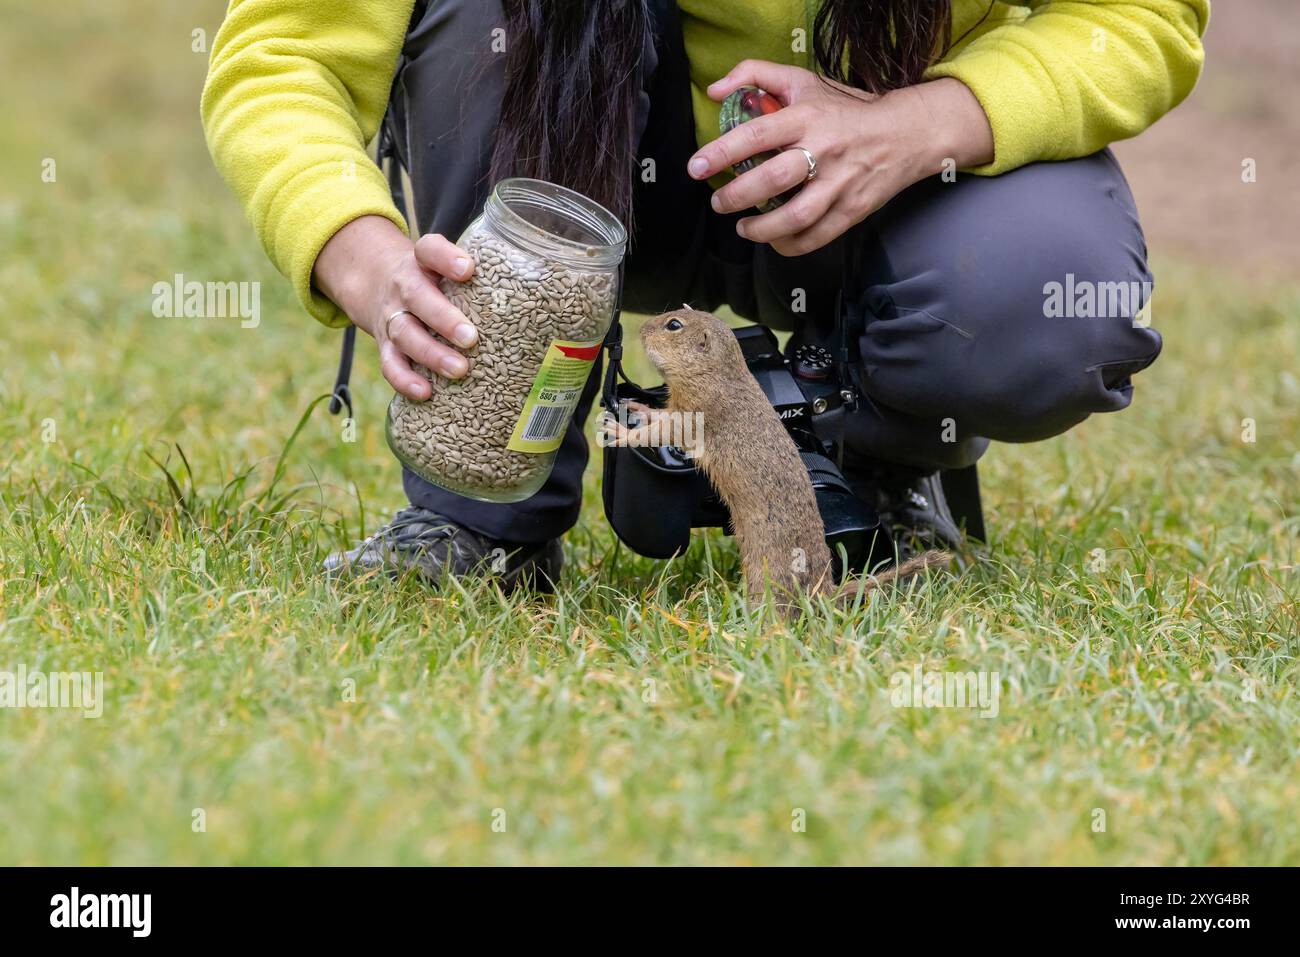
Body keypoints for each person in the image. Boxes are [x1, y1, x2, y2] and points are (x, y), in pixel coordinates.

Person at [201, 0, 1209, 589]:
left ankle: (881, 464)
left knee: (1031, 297)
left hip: (881, 159)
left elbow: (1142, 16)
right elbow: (282, 51)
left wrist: (922, 123)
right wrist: (358, 250)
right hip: (583, 173)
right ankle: (481, 513)